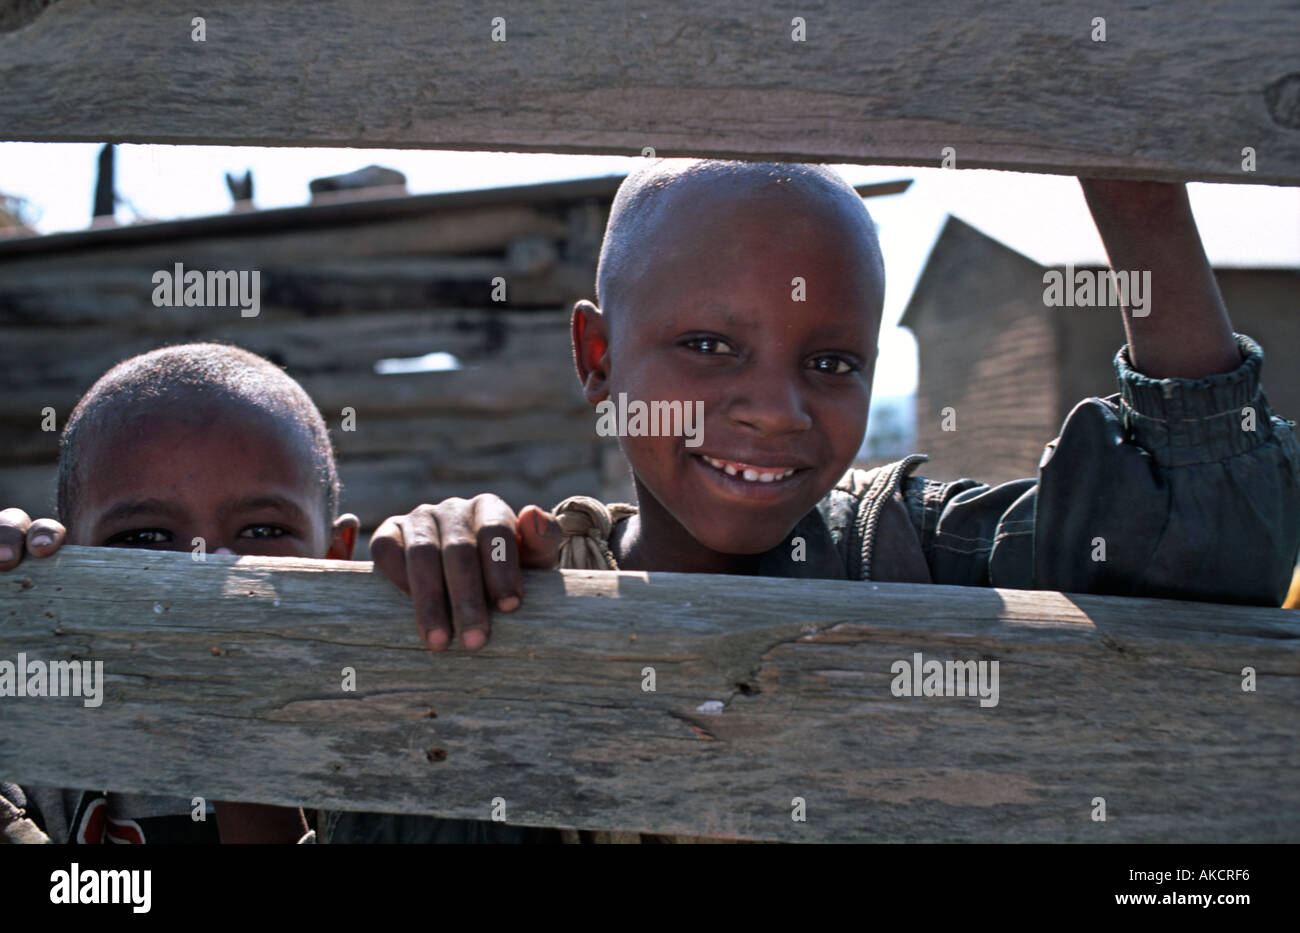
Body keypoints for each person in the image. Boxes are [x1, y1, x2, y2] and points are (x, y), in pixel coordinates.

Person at [354, 160, 1300, 843]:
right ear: (598, 358)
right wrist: (435, 583)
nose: (775, 409)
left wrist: (1135, 192)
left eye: (831, 362)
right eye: (709, 346)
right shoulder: (511, 597)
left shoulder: (920, 550)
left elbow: (1209, 548)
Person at [0, 343, 359, 843]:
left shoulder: (398, 729)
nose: (207, 569)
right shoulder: (30, 741)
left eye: (259, 531)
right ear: (63, 558)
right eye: (143, 538)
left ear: (335, 558)